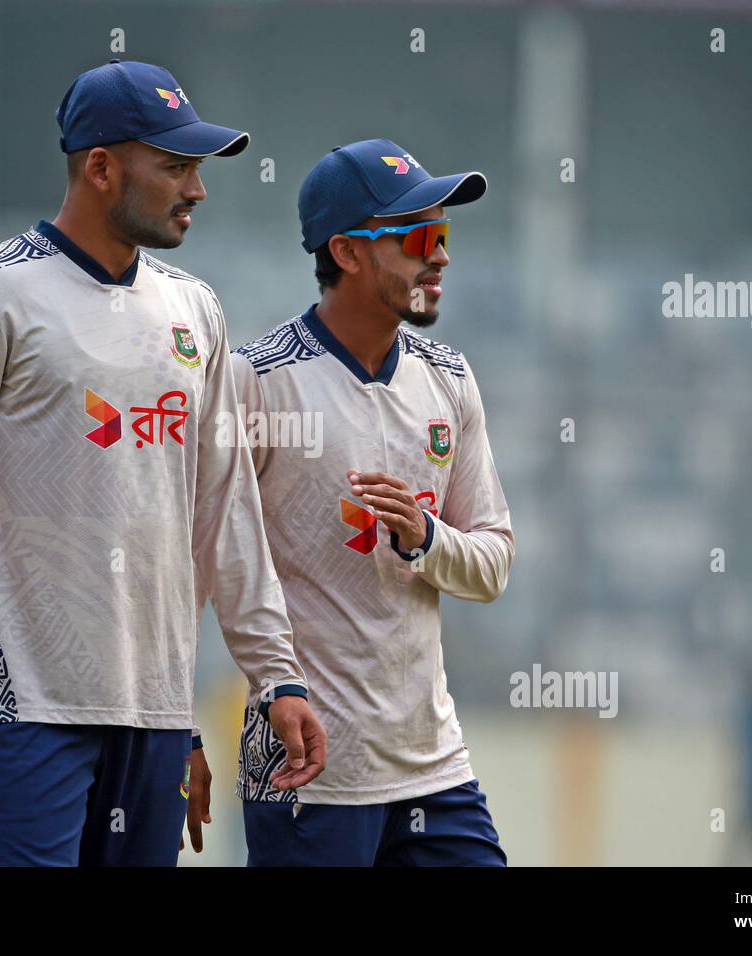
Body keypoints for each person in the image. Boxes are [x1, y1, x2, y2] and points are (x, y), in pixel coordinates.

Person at [0, 60, 325, 866]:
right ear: (101, 166)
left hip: (152, 720)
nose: (198, 189)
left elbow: (223, 514)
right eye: (176, 167)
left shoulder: (196, 308)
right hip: (22, 709)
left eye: (199, 168)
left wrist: (272, 679)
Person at [231, 138, 513, 866]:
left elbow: (493, 564)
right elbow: (208, 561)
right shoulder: (256, 382)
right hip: (305, 771)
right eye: (419, 237)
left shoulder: (450, 379)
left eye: (443, 234)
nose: (441, 256)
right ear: (348, 253)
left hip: (434, 768)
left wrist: (426, 537)